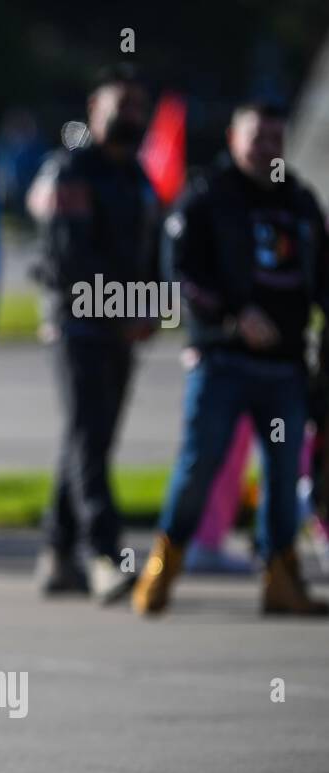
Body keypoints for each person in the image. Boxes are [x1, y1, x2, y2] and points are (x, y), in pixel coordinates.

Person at [132, 101, 329, 616]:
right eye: (256, 137)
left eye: (275, 139)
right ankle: (163, 565)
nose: (267, 149)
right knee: (200, 467)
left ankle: (280, 578)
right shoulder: (207, 197)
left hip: (285, 367)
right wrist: (233, 317)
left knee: (285, 475)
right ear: (232, 137)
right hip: (221, 363)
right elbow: (181, 272)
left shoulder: (301, 203)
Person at [28, 64, 159, 603]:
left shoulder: (139, 177)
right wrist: (121, 307)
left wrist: (148, 308)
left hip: (124, 328)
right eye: (118, 105)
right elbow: (67, 258)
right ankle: (105, 555)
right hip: (78, 325)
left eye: (136, 106)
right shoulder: (71, 171)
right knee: (89, 436)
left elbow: (154, 254)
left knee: (91, 437)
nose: (129, 115)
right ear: (93, 109)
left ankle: (56, 553)